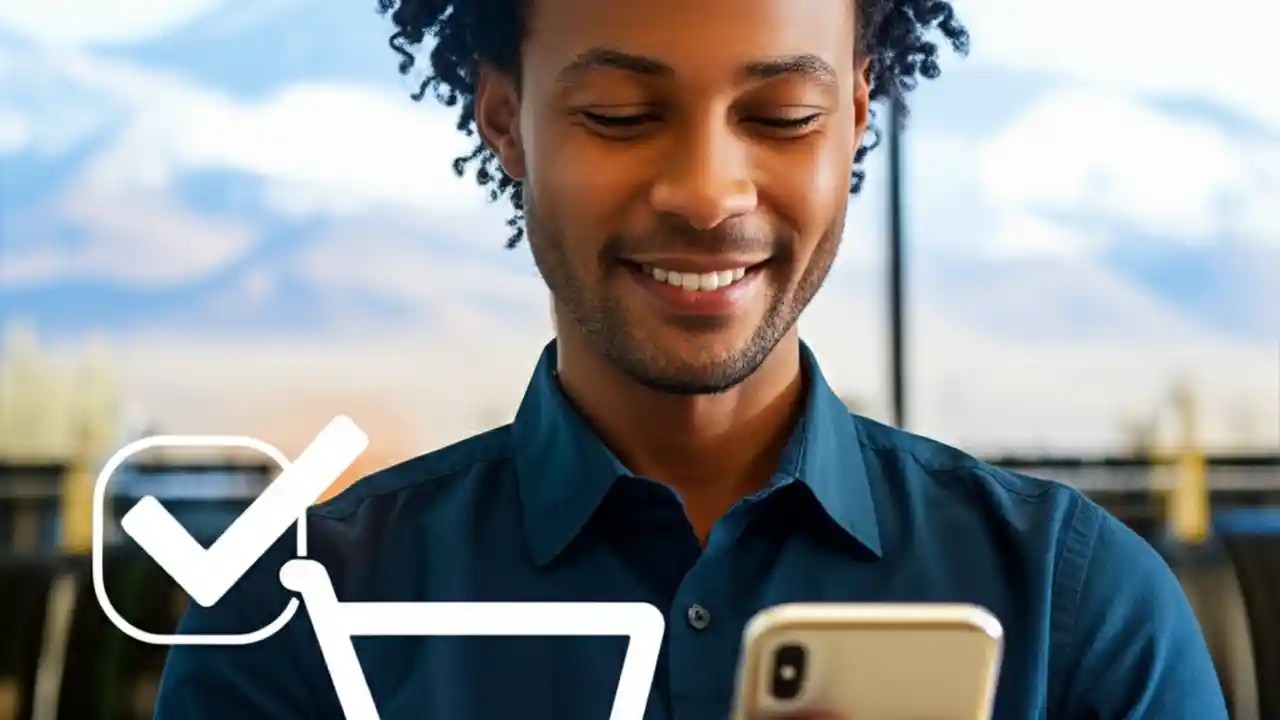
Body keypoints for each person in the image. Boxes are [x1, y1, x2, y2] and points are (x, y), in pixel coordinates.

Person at [154, 0, 1229, 717]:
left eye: (783, 115)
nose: (708, 194)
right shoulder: (290, 625)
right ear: (505, 120)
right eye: (621, 116)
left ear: (857, 116)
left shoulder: (1076, 610)